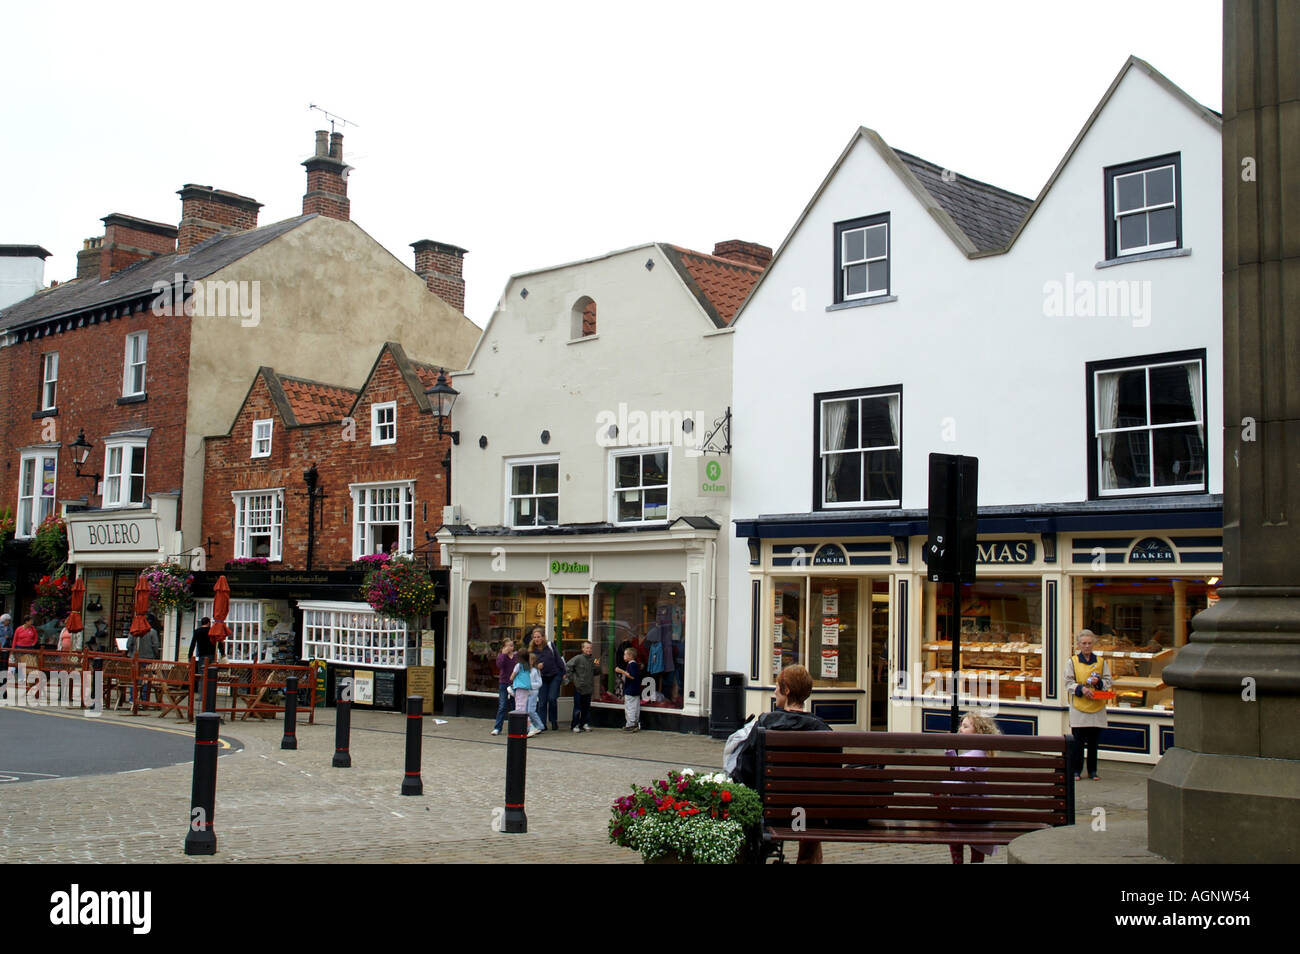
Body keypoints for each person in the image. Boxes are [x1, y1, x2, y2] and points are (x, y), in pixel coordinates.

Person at [731, 664, 831, 864]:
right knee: (812, 810)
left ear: (786, 690)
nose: (775, 690)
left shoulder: (765, 724)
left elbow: (744, 769)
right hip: (808, 816)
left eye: (778, 686)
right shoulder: (823, 730)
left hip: (770, 813)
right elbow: (831, 777)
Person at [946, 711, 1001, 864]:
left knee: (955, 835)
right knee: (977, 842)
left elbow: (959, 778)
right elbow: (961, 773)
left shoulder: (972, 756)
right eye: (961, 726)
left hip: (965, 812)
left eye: (965, 726)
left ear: (978, 731)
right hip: (979, 813)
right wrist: (952, 754)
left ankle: (957, 861)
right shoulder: (981, 753)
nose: (960, 729)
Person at [1065, 629, 1111, 780]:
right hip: (1080, 707)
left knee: (1093, 742)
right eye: (1084, 643)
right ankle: (1076, 771)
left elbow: (1108, 681)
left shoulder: (1101, 662)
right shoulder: (1072, 661)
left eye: (1089, 643)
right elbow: (1068, 682)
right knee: (1078, 742)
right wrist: (1081, 688)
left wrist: (1100, 684)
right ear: (1078, 645)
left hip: (1097, 707)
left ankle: (1092, 771)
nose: (1086, 646)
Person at [530, 627, 565, 732]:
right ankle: (542, 724)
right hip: (542, 678)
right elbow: (528, 666)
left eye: (538, 637)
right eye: (535, 637)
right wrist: (536, 666)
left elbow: (558, 659)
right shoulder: (531, 651)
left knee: (552, 698)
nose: (536, 639)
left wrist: (563, 672)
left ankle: (554, 721)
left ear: (543, 637)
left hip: (554, 675)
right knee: (542, 701)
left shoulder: (550, 646)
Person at [565, 640, 601, 732]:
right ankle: (575, 725)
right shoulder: (578, 658)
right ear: (583, 649)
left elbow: (596, 673)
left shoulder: (593, 660)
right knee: (577, 707)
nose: (589, 650)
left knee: (586, 707)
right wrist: (573, 679)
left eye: (590, 648)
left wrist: (597, 666)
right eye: (587, 648)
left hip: (588, 687)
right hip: (579, 687)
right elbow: (568, 667)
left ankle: (584, 723)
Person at [510, 650, 543, 737]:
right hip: (526, 689)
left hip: (521, 687)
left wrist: (512, 678)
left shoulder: (519, 665)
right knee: (523, 708)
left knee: (520, 708)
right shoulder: (527, 666)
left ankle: (531, 727)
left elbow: (512, 676)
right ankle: (527, 727)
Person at [491, 639, 516, 735]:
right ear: (504, 647)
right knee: (502, 705)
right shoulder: (502, 656)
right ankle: (497, 727)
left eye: (512, 645)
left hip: (514, 683)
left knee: (515, 706)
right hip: (504, 682)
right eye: (508, 646)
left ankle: (515, 727)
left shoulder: (516, 656)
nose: (510, 647)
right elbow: (499, 665)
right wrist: (503, 654)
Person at [614, 647, 641, 731]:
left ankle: (631, 724)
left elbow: (632, 676)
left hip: (630, 690)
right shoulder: (634, 664)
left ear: (630, 656)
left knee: (630, 707)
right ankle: (635, 722)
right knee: (635, 706)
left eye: (625, 654)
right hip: (635, 690)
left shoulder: (632, 664)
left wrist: (621, 671)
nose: (624, 656)